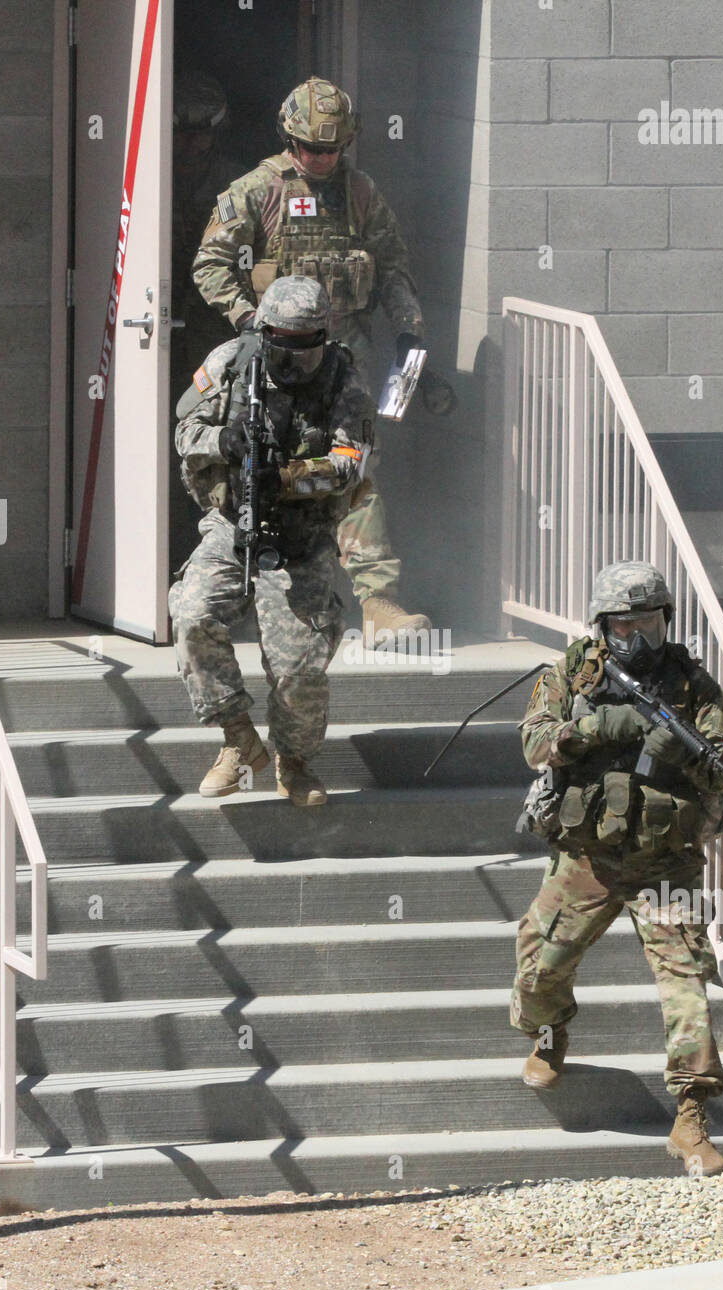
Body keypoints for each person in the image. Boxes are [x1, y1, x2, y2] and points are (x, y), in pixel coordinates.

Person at [191, 75, 454, 647]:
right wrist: (246, 324)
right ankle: (231, 596)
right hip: (274, 356)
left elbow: (392, 266)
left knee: (354, 468)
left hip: (344, 352)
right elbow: (210, 264)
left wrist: (409, 335)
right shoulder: (256, 191)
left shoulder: (359, 193)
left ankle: (378, 603)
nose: (322, 158)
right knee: (256, 468)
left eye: (333, 149)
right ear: (290, 140)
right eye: (312, 148)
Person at [510, 561, 723, 1176]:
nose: (636, 636)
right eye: (623, 623)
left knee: (687, 986)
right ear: (603, 625)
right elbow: (534, 742)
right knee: (539, 969)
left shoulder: (692, 684)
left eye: (648, 621)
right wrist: (592, 728)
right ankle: (550, 1030)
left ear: (667, 620)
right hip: (586, 857)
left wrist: (682, 755)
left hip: (664, 865)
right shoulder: (574, 670)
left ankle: (692, 1116)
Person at [170, 275, 374, 807]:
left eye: (307, 340)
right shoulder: (232, 362)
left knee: (299, 668)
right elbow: (184, 431)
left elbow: (350, 462)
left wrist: (286, 478)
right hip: (230, 524)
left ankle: (294, 762)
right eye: (283, 338)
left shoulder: (342, 377)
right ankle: (239, 742)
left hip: (302, 537)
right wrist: (226, 441)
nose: (295, 351)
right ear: (264, 330)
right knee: (193, 614)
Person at [170, 70, 246, 570]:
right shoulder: (154, 171)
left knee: (216, 436)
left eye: (203, 132)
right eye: (183, 132)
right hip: (160, 322)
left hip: (211, 328)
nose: (193, 143)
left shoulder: (235, 183)